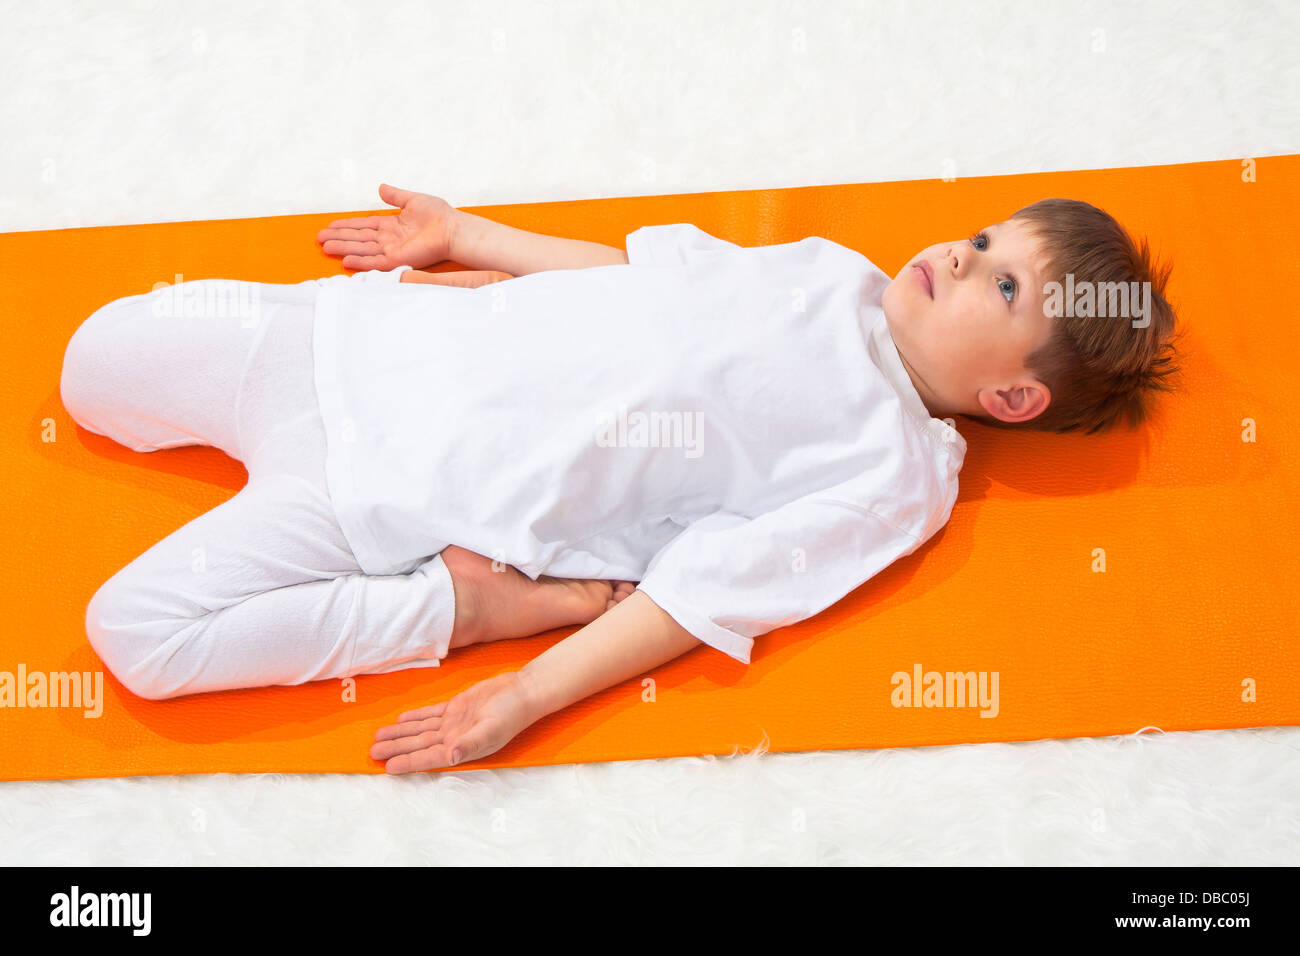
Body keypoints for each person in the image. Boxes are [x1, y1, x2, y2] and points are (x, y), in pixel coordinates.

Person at [61, 183, 1182, 774]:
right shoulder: (828, 272)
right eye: (984, 238)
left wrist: (528, 684)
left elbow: (701, 592)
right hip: (355, 339)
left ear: (1015, 399)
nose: (957, 256)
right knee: (91, 366)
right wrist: (468, 236)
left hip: (387, 491)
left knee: (139, 636)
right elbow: (635, 280)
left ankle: (454, 605)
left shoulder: (892, 473)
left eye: (1000, 289)